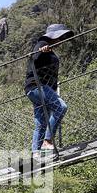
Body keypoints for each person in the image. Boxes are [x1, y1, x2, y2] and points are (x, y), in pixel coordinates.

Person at [25, 23, 73, 152]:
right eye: (59, 37)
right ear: (53, 36)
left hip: (34, 90)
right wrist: (42, 50)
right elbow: (35, 56)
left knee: (41, 122)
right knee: (61, 107)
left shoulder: (49, 48)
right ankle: (48, 141)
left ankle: (36, 154)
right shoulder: (42, 43)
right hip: (38, 87)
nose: (60, 41)